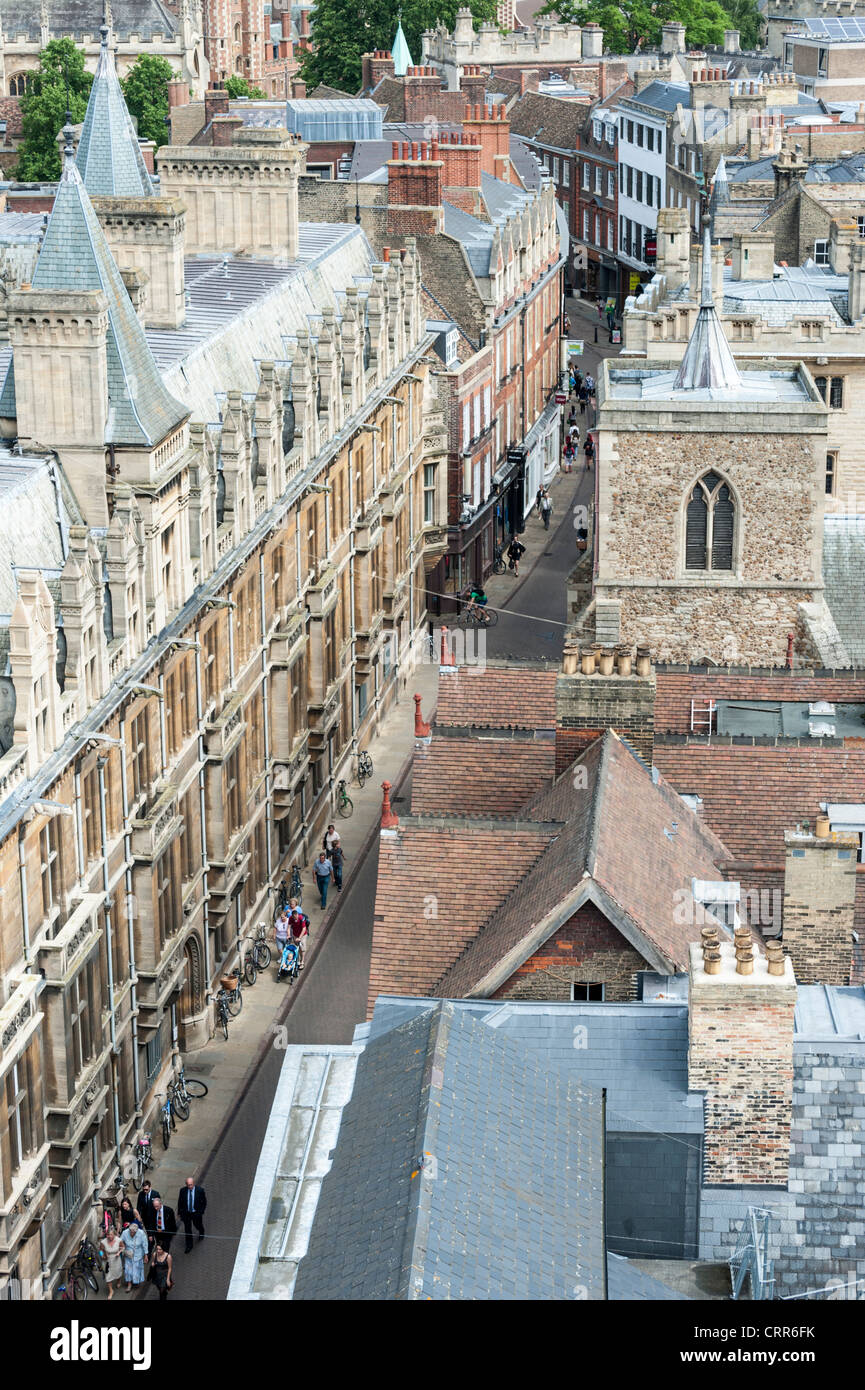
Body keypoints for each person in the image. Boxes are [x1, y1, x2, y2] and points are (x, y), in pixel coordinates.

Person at [177, 1177, 207, 1253]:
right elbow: (180, 1202)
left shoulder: (200, 1190)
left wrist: (201, 1212)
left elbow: (204, 1202)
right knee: (187, 1230)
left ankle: (201, 1231)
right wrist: (179, 1213)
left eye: (191, 1185)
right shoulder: (182, 1191)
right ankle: (189, 1245)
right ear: (186, 1184)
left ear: (193, 1183)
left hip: (196, 1213)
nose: (190, 1186)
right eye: (188, 1185)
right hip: (186, 1214)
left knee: (198, 1225)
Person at [121, 1218, 148, 1293]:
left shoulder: (141, 1233)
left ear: (136, 1231)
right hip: (128, 1254)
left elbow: (145, 1244)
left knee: (137, 1269)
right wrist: (123, 1248)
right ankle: (129, 1284)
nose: (132, 1233)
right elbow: (121, 1241)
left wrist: (146, 1255)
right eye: (131, 1232)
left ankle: (136, 1281)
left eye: (134, 1232)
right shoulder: (125, 1232)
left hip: (138, 1254)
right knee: (128, 1270)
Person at [100, 1218, 123, 1300]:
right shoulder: (103, 1242)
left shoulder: (119, 1240)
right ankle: (111, 1290)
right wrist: (102, 1255)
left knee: (117, 1273)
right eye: (108, 1235)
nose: (109, 1236)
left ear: (114, 1234)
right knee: (108, 1276)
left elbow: (123, 1247)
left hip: (116, 1259)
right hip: (107, 1261)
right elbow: (100, 1251)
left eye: (111, 1235)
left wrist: (119, 1252)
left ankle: (119, 1280)